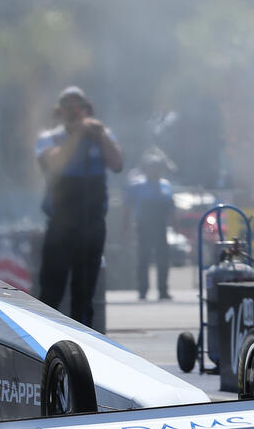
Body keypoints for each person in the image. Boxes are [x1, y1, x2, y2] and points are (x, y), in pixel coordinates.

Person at [36, 85, 123, 327]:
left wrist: (100, 133)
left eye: (78, 106)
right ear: (60, 111)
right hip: (61, 226)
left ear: (87, 109)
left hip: (92, 225)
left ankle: (82, 347)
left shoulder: (100, 134)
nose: (73, 112)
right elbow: (54, 163)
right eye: (68, 107)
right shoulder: (49, 137)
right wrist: (76, 135)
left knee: (84, 296)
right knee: (51, 291)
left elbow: (117, 163)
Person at [124, 150, 176, 300]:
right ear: (146, 169)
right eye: (152, 167)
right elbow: (128, 207)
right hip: (144, 226)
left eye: (158, 168)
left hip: (160, 227)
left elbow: (171, 208)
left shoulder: (166, 186)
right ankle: (142, 290)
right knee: (143, 258)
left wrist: (175, 225)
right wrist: (126, 227)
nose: (155, 171)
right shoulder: (137, 186)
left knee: (163, 259)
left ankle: (163, 290)